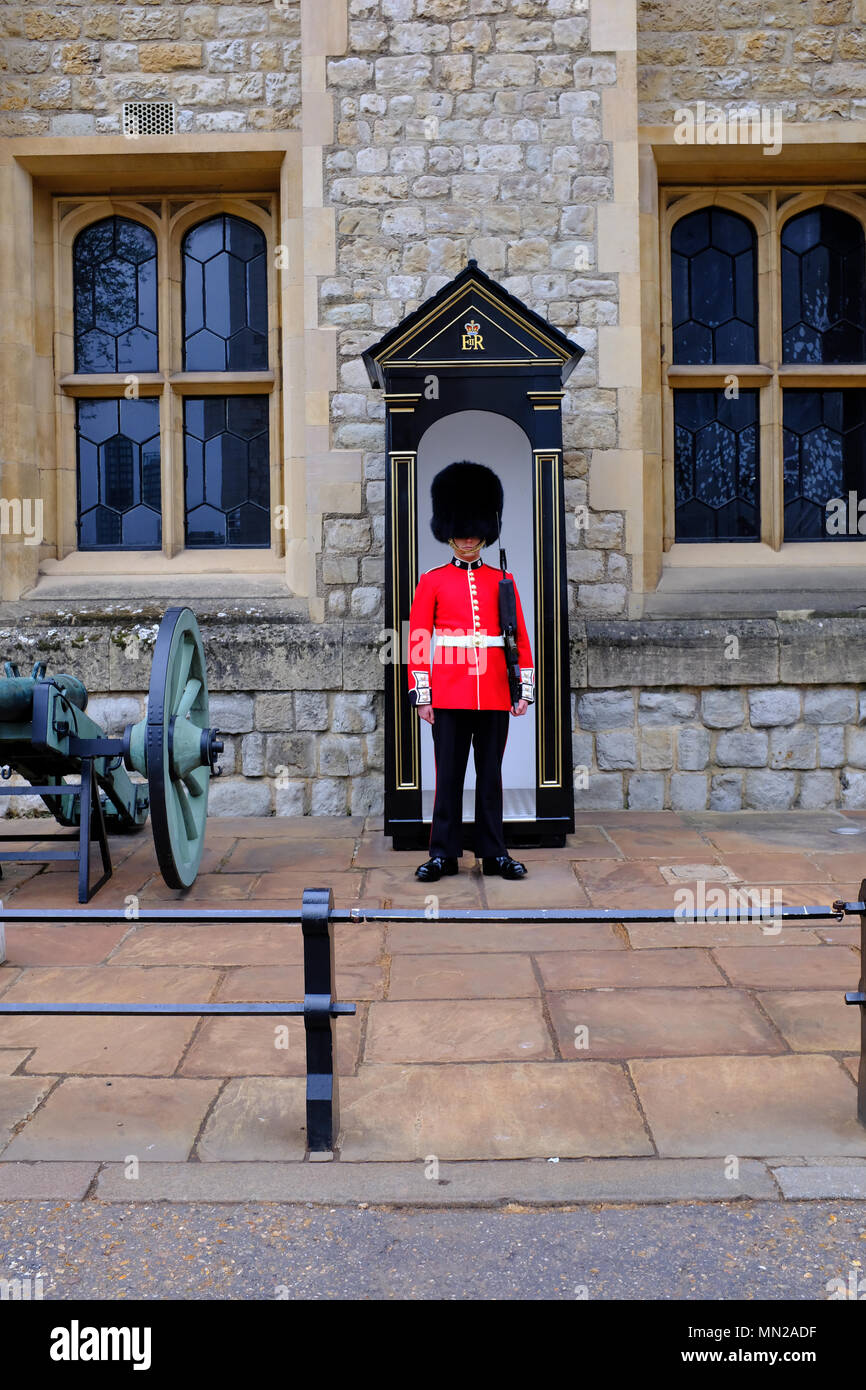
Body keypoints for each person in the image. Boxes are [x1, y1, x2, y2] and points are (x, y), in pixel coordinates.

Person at [407, 460, 535, 882]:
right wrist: (422, 693)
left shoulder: (503, 580)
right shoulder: (433, 581)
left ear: (486, 530)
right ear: (448, 531)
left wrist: (523, 688)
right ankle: (443, 853)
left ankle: (494, 852)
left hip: (495, 690)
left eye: (474, 530)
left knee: (491, 777)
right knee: (448, 777)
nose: (467, 538)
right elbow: (420, 638)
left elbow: (516, 638)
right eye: (460, 530)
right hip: (448, 691)